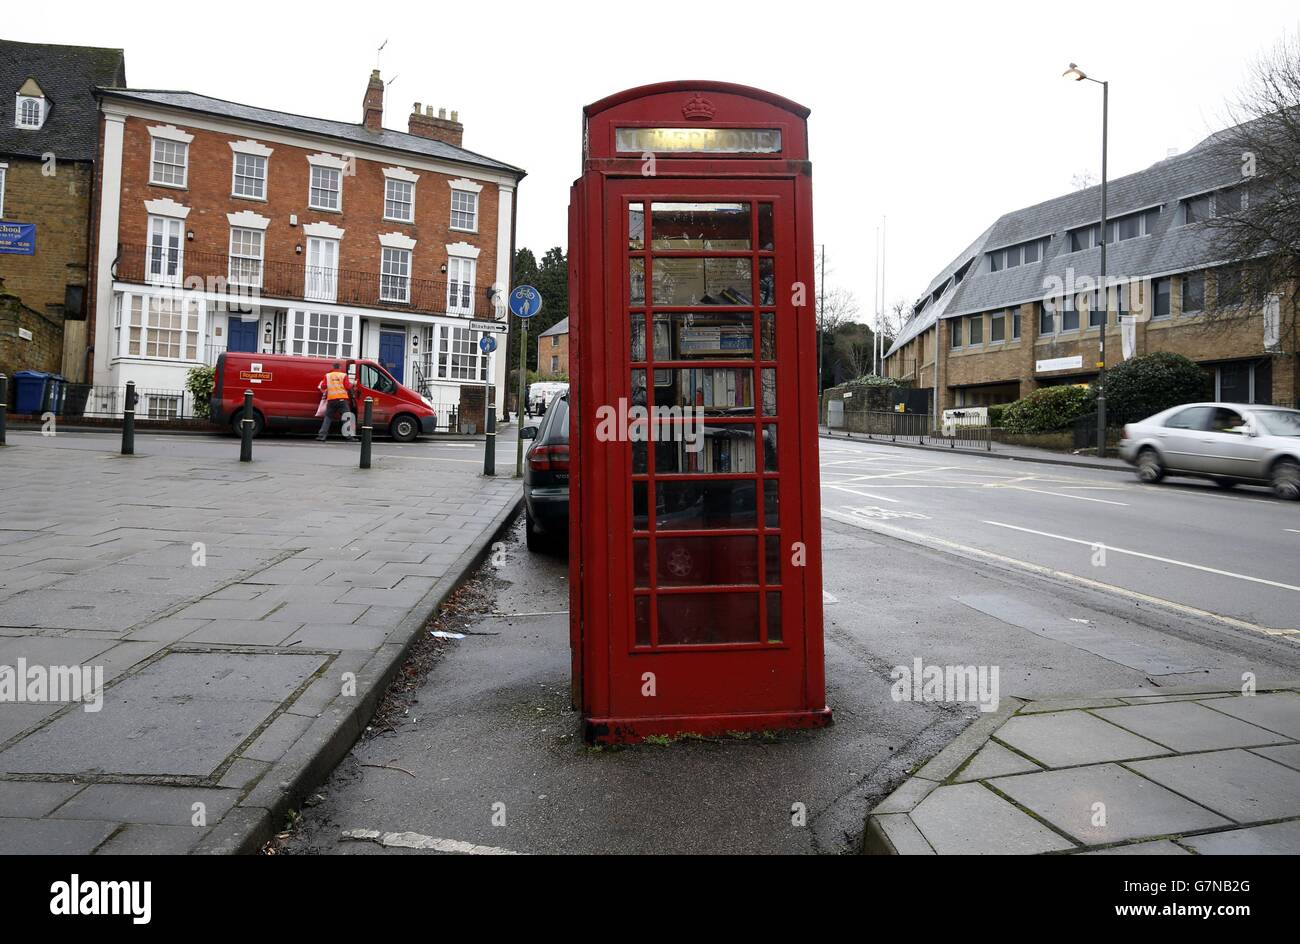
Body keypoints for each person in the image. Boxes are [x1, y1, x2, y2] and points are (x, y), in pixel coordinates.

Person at [316, 362, 357, 442]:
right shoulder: (343, 375)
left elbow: (323, 386)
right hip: (342, 400)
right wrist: (354, 384)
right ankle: (349, 437)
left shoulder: (327, 376)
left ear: (333, 367)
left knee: (328, 418)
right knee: (347, 417)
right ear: (340, 368)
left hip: (331, 400)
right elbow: (348, 386)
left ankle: (322, 436)